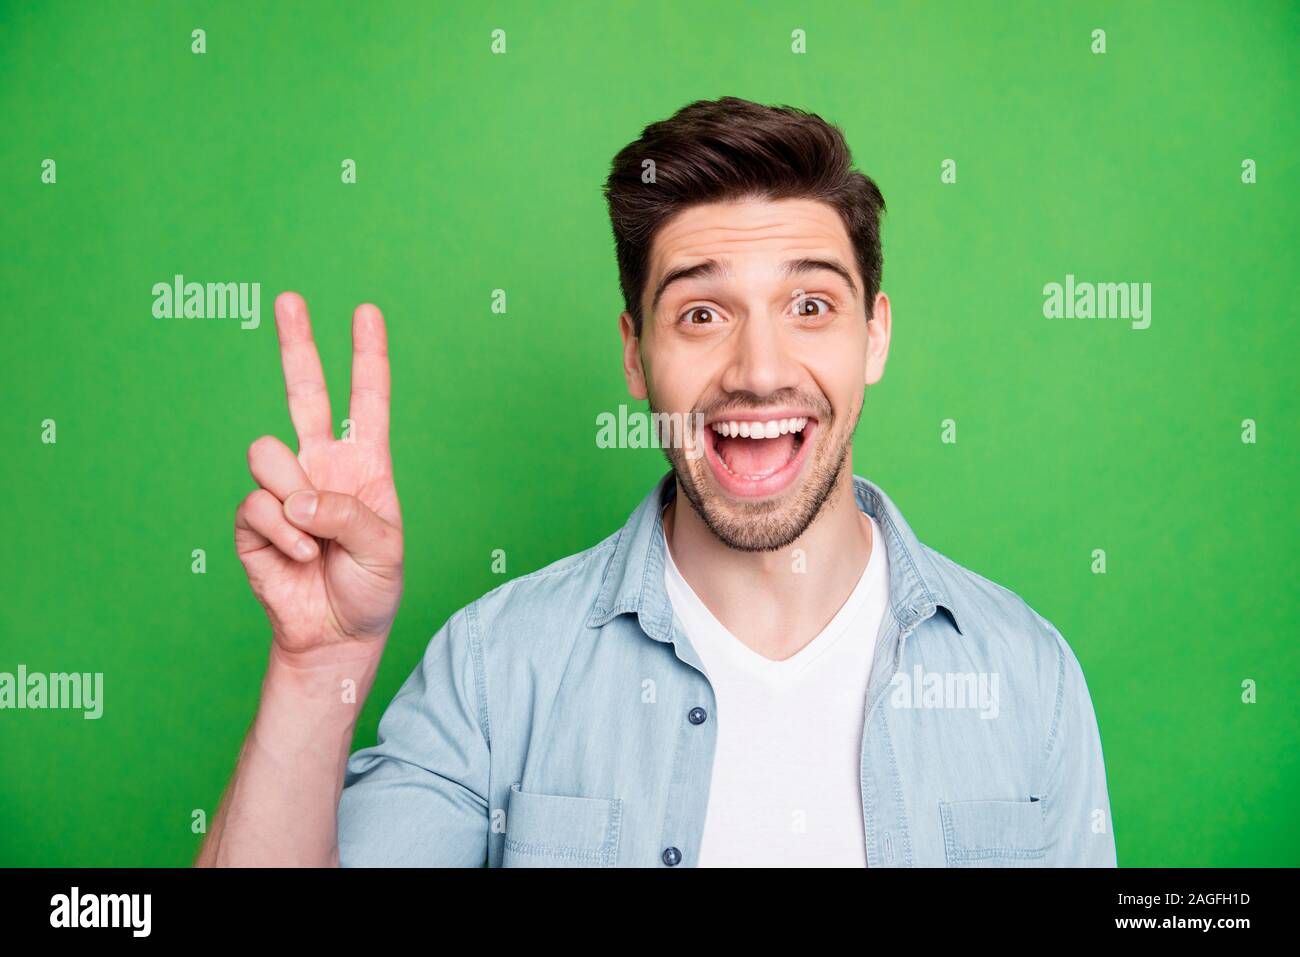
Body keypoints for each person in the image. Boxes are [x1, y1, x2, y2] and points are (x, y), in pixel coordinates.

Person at [196, 96, 1116, 868]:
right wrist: (317, 669)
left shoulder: (1029, 678)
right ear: (636, 355)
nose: (760, 369)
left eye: (809, 305)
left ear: (873, 335)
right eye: (702, 311)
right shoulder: (493, 671)